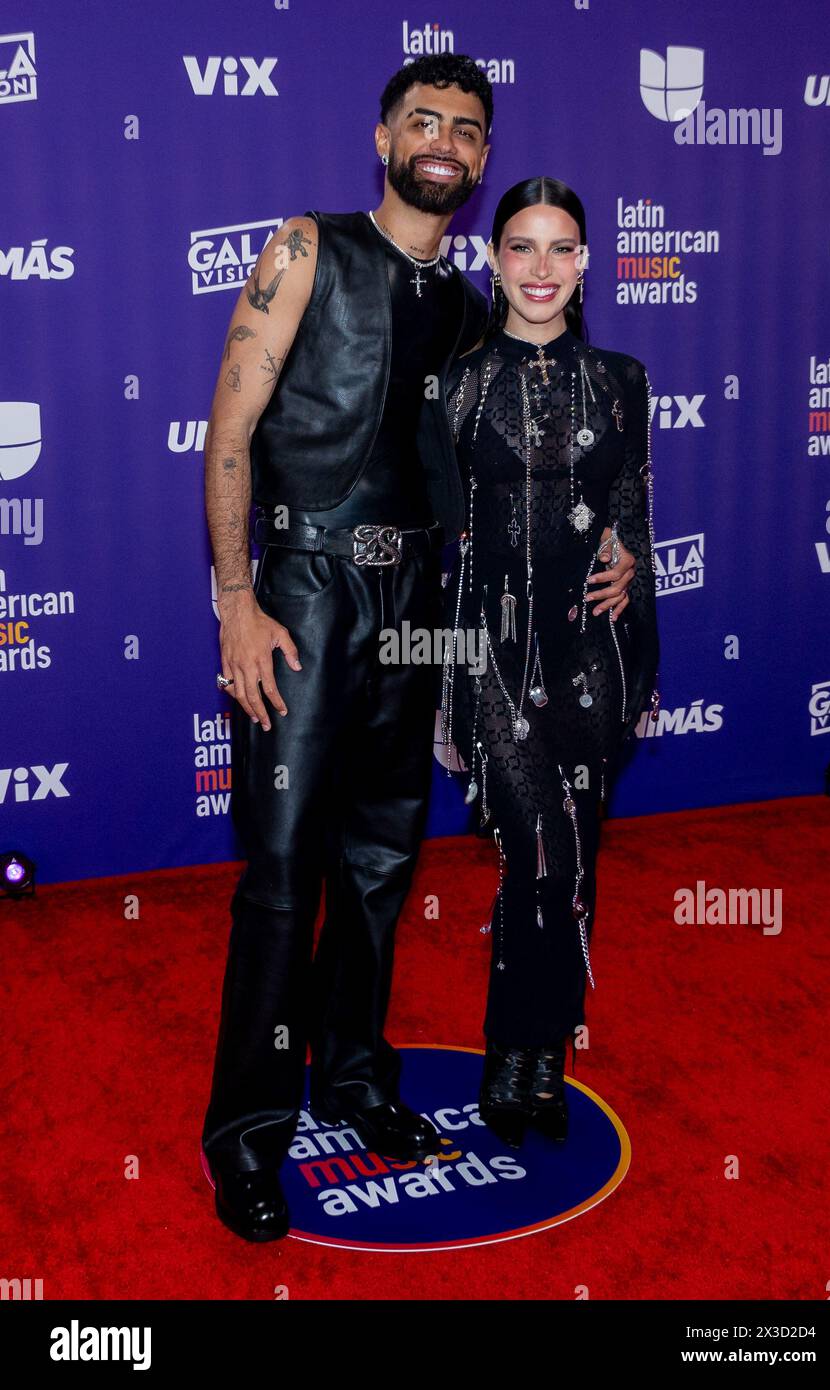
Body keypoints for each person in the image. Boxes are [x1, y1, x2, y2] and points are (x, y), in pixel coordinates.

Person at [198, 53, 499, 1243]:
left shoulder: (471, 309)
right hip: (305, 594)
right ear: (382, 139)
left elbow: (482, 482)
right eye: (421, 121)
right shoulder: (304, 248)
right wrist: (236, 597)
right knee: (280, 881)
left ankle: (359, 1083)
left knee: (380, 868)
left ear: (477, 160)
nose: (443, 141)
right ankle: (247, 1135)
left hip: (415, 602)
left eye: (465, 129)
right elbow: (230, 428)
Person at [440, 177, 660, 1148]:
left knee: (573, 861)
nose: (539, 267)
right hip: (492, 653)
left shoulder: (622, 377)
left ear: (583, 262)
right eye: (520, 246)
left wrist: (630, 563)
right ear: (493, 260)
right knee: (537, 846)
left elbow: (634, 515)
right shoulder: (459, 380)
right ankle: (509, 1043)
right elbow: (433, 533)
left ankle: (542, 1053)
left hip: (593, 655)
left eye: (559, 247)